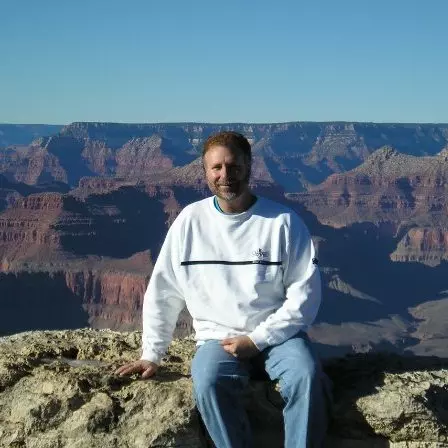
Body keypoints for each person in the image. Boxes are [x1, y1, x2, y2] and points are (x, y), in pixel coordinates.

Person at [115, 131, 328, 447]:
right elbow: (163, 291)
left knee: (307, 376)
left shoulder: (282, 222)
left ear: (248, 167)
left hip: (278, 336)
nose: (225, 176)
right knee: (208, 381)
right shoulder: (190, 222)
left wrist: (257, 340)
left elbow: (305, 295)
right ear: (205, 171)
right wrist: (152, 354)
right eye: (216, 168)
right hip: (217, 338)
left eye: (233, 166)